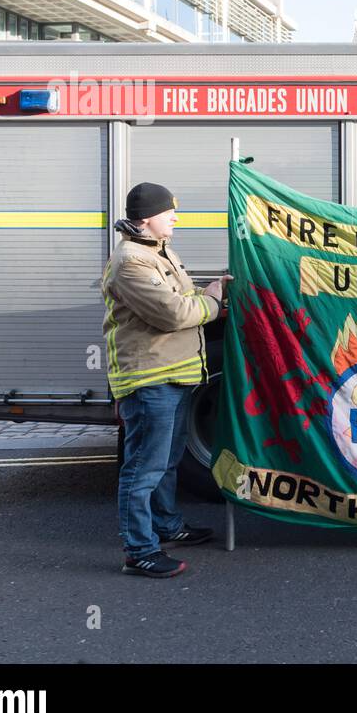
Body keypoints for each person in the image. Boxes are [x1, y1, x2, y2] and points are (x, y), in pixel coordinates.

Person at [102, 182, 232, 577]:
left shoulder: (159, 252)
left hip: (174, 377)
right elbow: (174, 313)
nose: (175, 217)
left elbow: (183, 299)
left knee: (167, 463)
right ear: (147, 218)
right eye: (169, 211)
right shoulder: (131, 261)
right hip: (149, 381)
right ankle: (139, 550)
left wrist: (212, 300)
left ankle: (167, 526)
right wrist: (212, 299)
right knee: (143, 469)